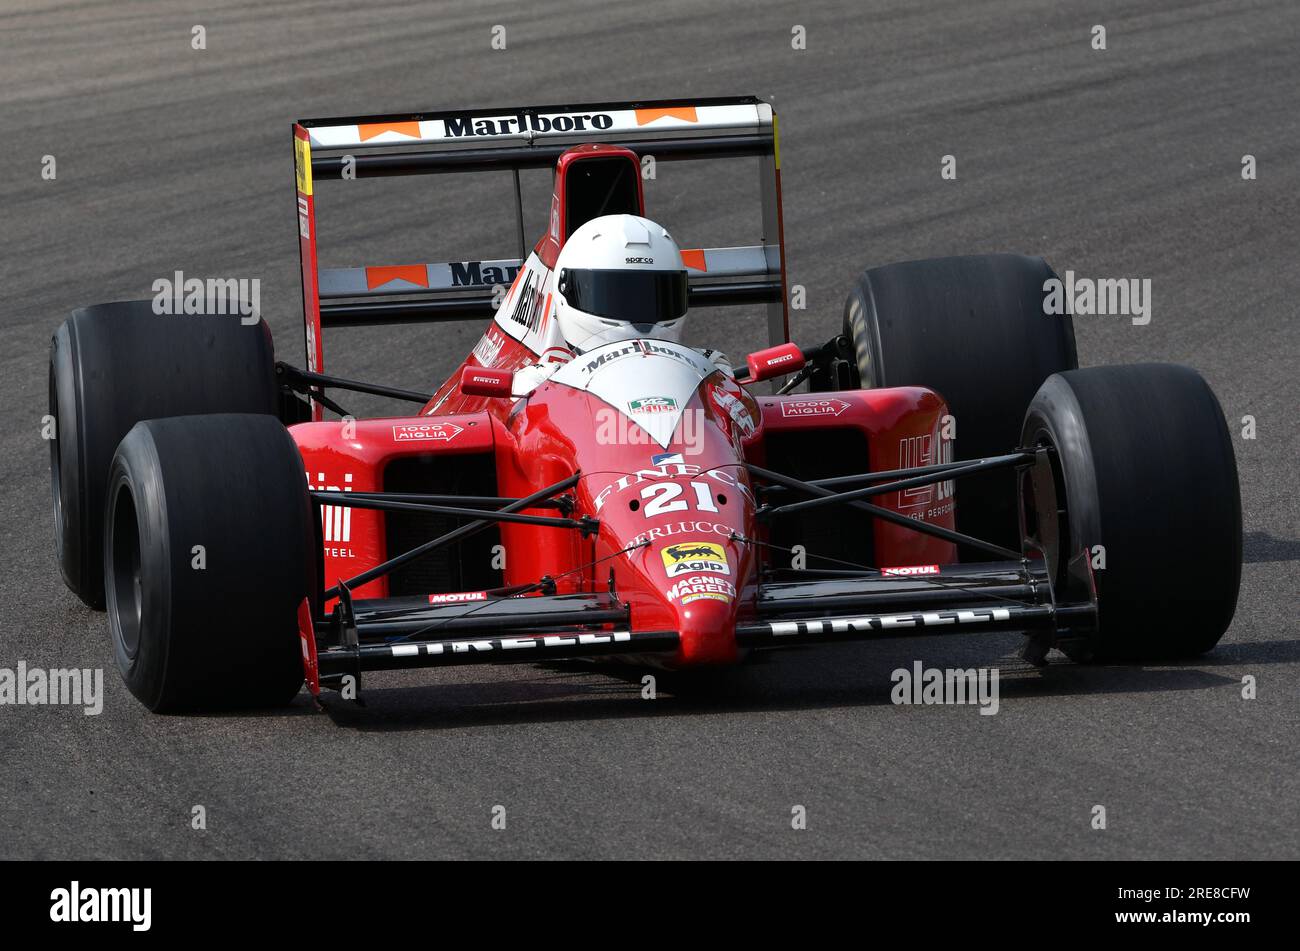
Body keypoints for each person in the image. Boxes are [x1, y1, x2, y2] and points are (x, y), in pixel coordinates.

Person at [511, 214, 731, 395]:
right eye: (616, 295)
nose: (638, 309)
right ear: (565, 290)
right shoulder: (538, 384)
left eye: (651, 295)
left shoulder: (710, 367)